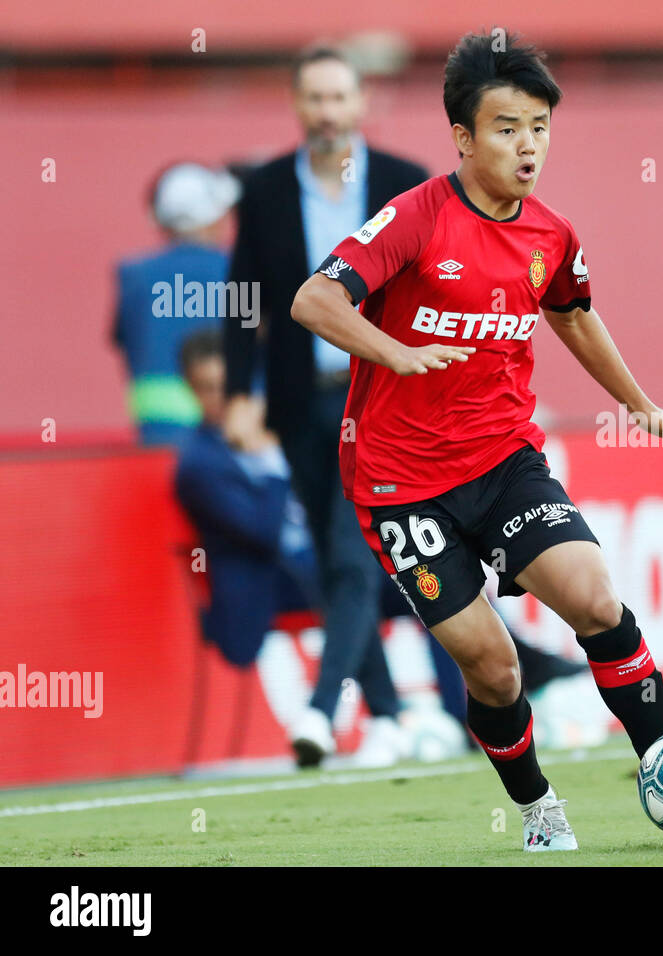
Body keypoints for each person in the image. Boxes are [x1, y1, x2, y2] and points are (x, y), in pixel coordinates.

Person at [288, 31, 663, 851]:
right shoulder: (413, 218)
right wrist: (396, 351)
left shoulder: (551, 235)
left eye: (539, 127)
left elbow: (573, 315)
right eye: (507, 127)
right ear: (464, 138)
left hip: (503, 460)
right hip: (401, 480)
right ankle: (540, 807)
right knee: (494, 664)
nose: (528, 145)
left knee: (591, 594)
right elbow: (313, 301)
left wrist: (644, 406)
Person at [222, 47, 430, 767]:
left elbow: (438, 294)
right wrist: (240, 396)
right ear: (296, 105)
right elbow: (243, 300)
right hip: (297, 402)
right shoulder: (267, 190)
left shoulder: (409, 185)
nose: (328, 112)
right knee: (335, 560)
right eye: (315, 98)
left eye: (339, 97)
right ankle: (391, 715)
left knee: (350, 553)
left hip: (381, 398)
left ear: (362, 103)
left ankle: (319, 711)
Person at [173, 329, 418, 767]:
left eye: (228, 386)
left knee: (424, 579)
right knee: (347, 580)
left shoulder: (298, 430)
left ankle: (452, 716)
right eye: (207, 389)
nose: (222, 400)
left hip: (323, 568)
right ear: (191, 392)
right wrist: (266, 459)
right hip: (270, 585)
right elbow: (264, 533)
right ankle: (362, 715)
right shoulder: (198, 463)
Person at [113, 162, 239, 446]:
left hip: (157, 426)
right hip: (228, 420)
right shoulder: (239, 270)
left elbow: (123, 338)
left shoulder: (133, 275)